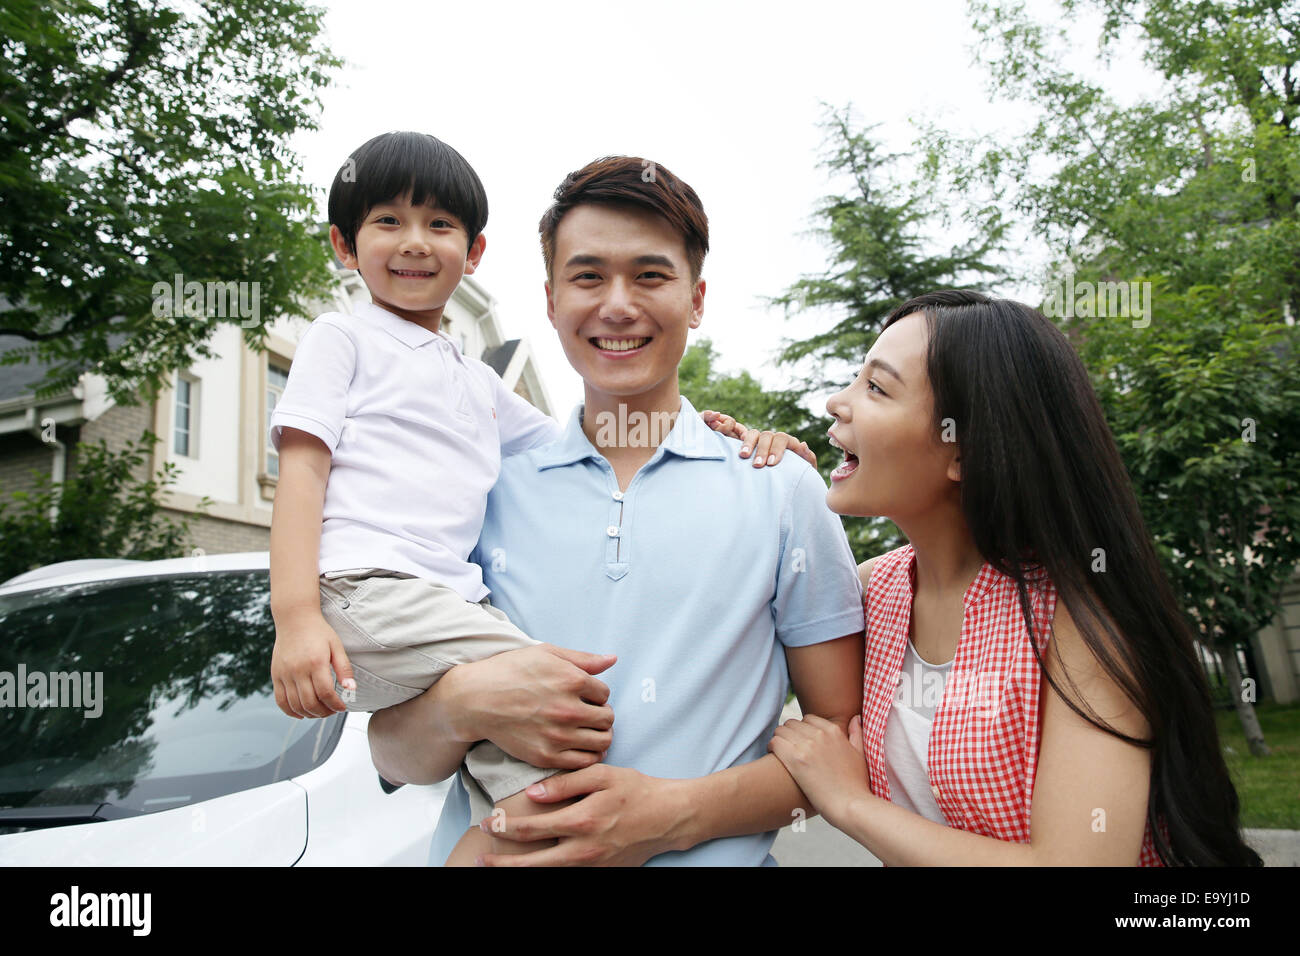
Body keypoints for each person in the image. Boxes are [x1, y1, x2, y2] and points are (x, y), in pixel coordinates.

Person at [266, 133, 806, 866]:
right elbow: (395, 756)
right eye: (387, 222)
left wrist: (712, 432)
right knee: (543, 681)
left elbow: (578, 436)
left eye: (440, 226)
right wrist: (296, 618)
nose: (414, 244)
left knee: (525, 713)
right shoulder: (342, 339)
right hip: (371, 588)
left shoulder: (480, 388)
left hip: (425, 600)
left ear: (475, 251)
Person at [769, 289, 1263, 866]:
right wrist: (763, 489)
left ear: (966, 451)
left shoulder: (1077, 620)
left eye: (876, 388)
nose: (836, 402)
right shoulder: (877, 590)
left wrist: (851, 805)